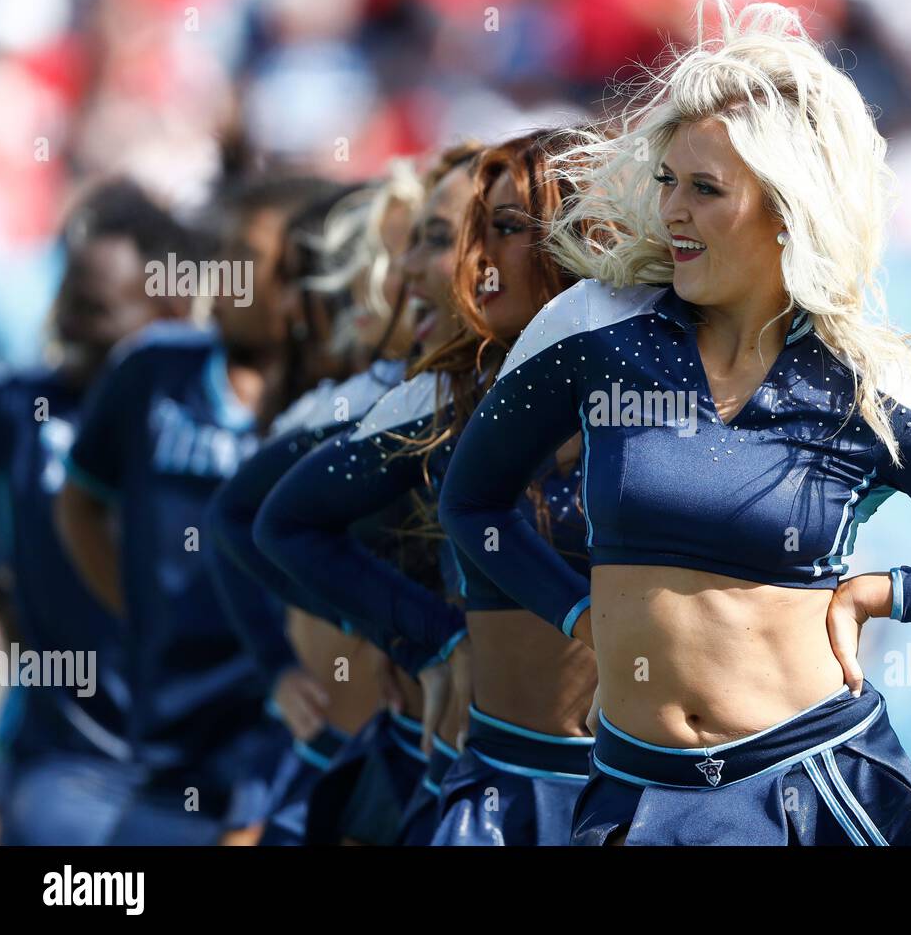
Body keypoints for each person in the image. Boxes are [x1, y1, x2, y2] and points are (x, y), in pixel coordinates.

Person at [437, 0, 911, 846]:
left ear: (787, 208)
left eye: (706, 190)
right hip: (633, 794)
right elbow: (472, 505)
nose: (671, 211)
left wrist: (883, 594)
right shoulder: (595, 327)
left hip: (815, 785)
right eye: (669, 181)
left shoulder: (867, 380)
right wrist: (574, 614)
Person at [256, 129, 599, 845]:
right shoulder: (446, 393)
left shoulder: (673, 382)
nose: (469, 263)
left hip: (646, 790)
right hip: (483, 791)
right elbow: (271, 523)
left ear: (587, 240)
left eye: (502, 231)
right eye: (463, 236)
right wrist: (432, 640)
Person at [53, 174, 342, 842]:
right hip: (170, 738)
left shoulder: (343, 407)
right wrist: (142, 609)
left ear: (308, 277)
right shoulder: (152, 368)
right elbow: (79, 504)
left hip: (288, 740)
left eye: (249, 255)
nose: (226, 273)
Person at [206, 148, 481, 845]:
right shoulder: (376, 403)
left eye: (431, 240)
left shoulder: (535, 386)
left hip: (500, 767)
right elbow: (241, 519)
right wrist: (413, 635)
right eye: (400, 248)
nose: (406, 271)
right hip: (373, 746)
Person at [0, 181, 200, 844]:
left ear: (169, 312)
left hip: (195, 767)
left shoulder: (210, 432)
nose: (70, 326)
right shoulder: (24, 407)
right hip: (67, 770)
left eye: (97, 308)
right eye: (66, 300)